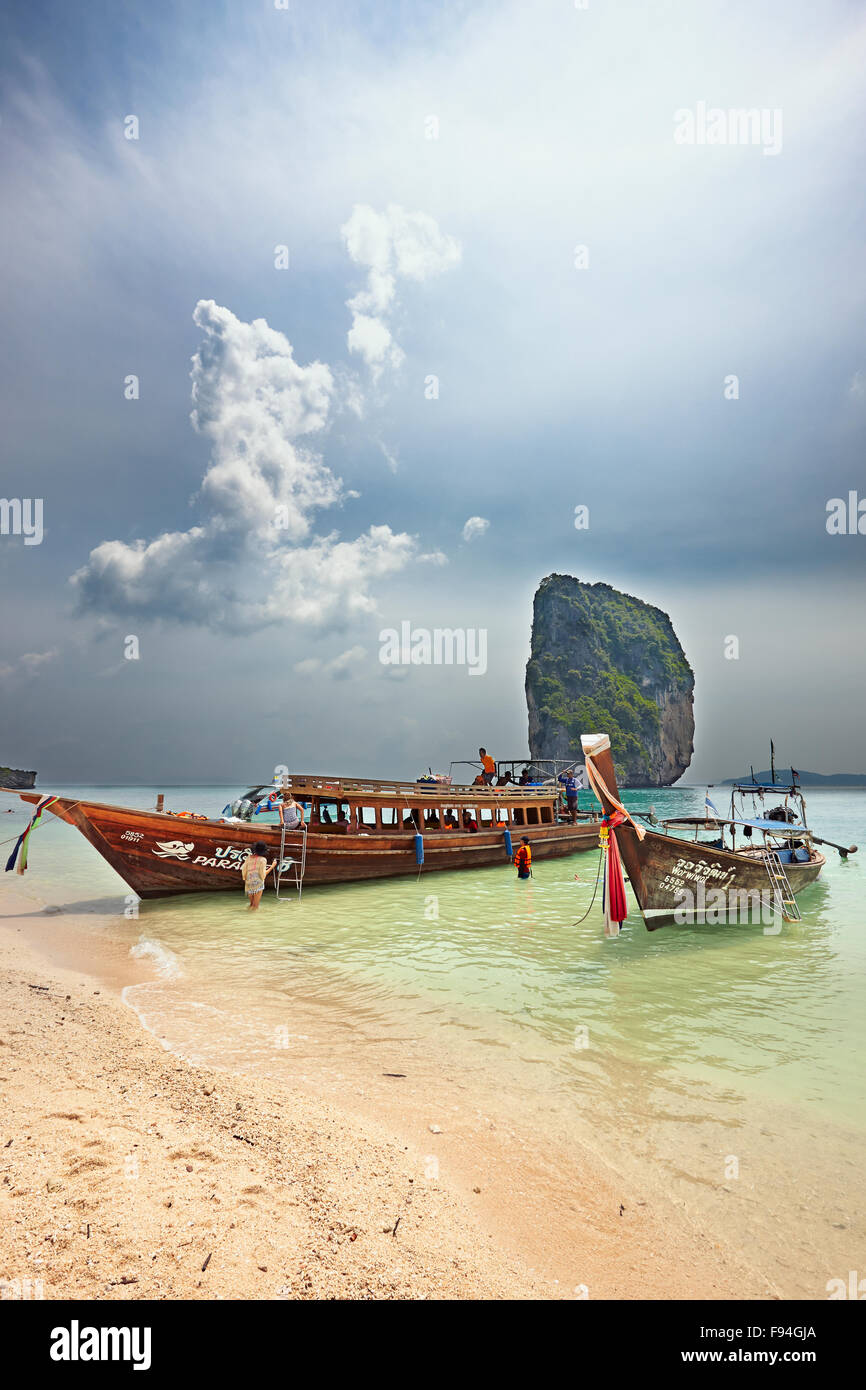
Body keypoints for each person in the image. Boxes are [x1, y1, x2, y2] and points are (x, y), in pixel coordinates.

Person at [241, 841, 275, 911]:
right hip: (258, 884)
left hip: (248, 883)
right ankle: (253, 917)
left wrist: (245, 879)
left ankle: (247, 915)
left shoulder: (248, 858)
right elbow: (263, 875)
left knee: (251, 905)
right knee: (255, 907)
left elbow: (244, 870)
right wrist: (272, 866)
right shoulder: (263, 860)